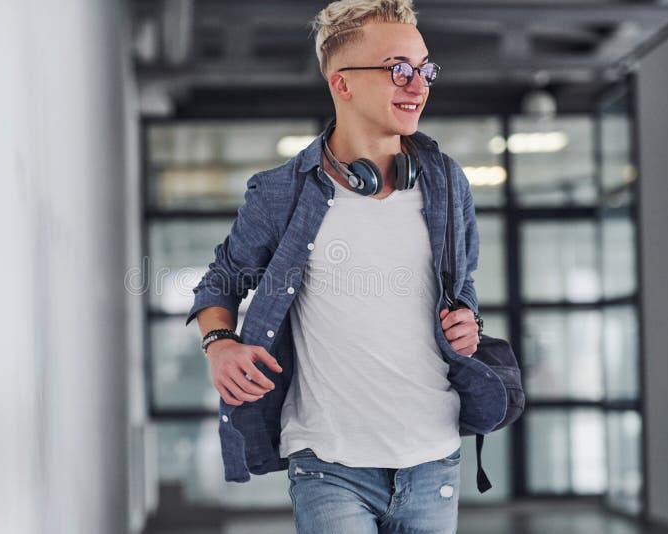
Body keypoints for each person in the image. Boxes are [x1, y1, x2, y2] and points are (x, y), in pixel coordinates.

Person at [186, 1, 488, 532]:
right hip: (329, 463)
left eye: (425, 69)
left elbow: (461, 289)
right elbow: (221, 282)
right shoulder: (282, 192)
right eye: (398, 69)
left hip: (433, 457)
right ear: (341, 83)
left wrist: (468, 320)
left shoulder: (446, 181)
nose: (418, 84)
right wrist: (220, 343)